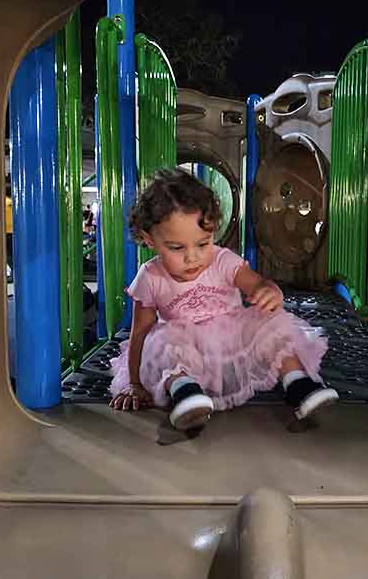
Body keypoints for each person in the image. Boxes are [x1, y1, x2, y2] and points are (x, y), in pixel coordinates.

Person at [109, 167, 338, 430]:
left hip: (234, 346)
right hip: (188, 350)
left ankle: (299, 385)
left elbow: (257, 283)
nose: (192, 257)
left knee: (272, 323)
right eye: (177, 247)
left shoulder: (222, 260)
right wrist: (134, 384)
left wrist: (269, 290)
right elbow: (140, 333)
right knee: (161, 341)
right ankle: (186, 394)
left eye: (203, 243)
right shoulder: (150, 277)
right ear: (150, 240)